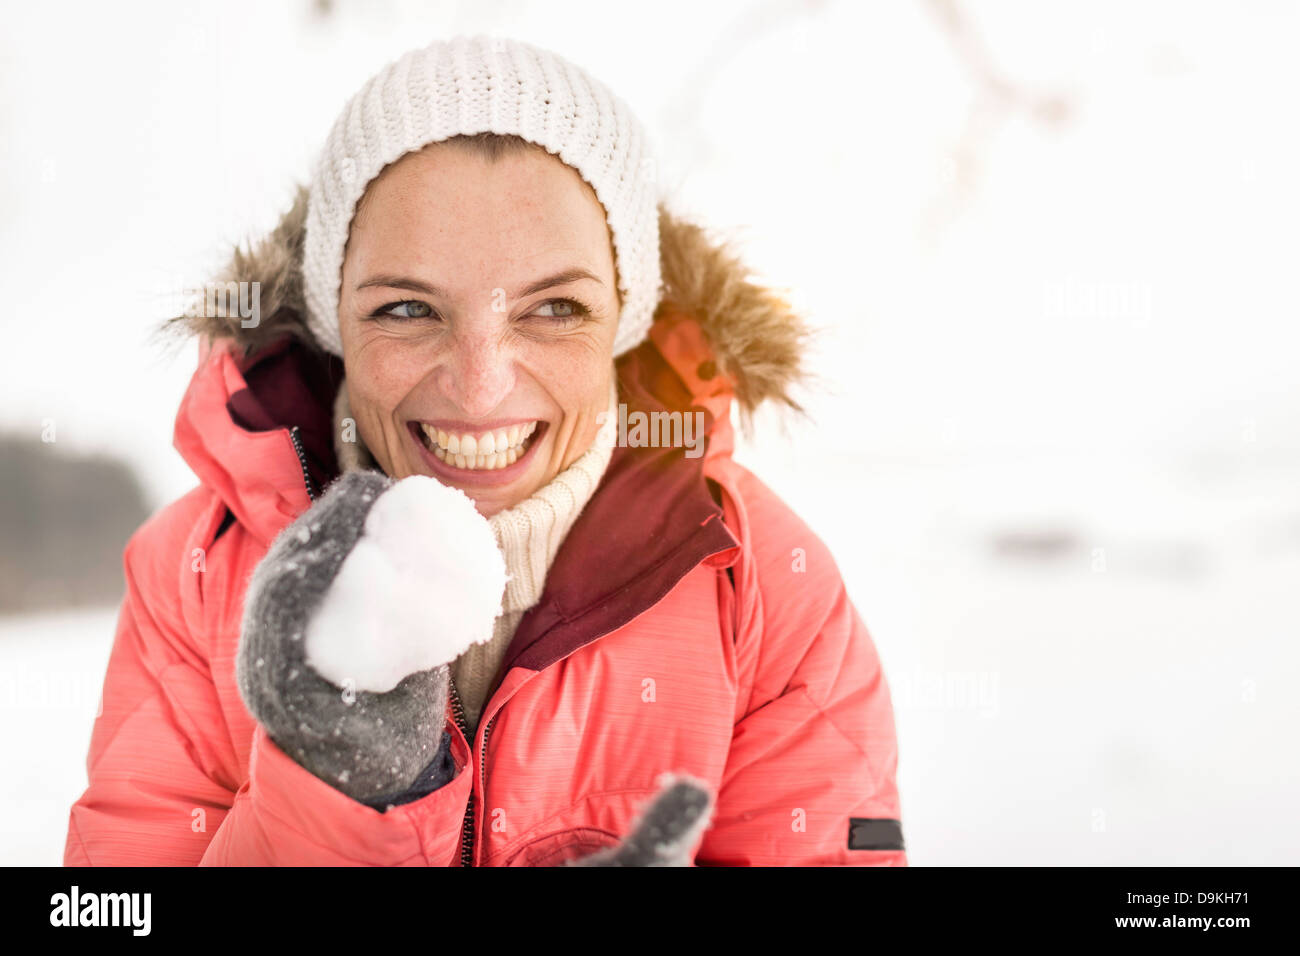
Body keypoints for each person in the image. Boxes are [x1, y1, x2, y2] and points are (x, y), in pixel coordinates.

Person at [63, 34, 907, 866]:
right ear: (333, 321)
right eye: (405, 309)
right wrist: (332, 803)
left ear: (627, 318)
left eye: (554, 309)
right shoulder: (198, 577)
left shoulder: (760, 589)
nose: (479, 387)